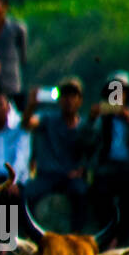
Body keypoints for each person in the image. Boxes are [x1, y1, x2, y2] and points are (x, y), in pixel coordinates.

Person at [87, 71, 129, 250]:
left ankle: (121, 237)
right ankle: (107, 234)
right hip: (108, 168)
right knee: (97, 190)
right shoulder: (103, 120)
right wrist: (92, 120)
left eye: (120, 91)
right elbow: (86, 143)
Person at [23, 76, 93, 233]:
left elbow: (91, 152)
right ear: (60, 100)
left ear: (80, 100)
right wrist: (31, 105)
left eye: (73, 96)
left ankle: (76, 238)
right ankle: (31, 238)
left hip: (71, 177)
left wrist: (83, 168)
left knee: (81, 193)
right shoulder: (48, 118)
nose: (69, 100)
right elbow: (27, 123)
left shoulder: (85, 125)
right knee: (27, 194)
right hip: (48, 175)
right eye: (65, 96)